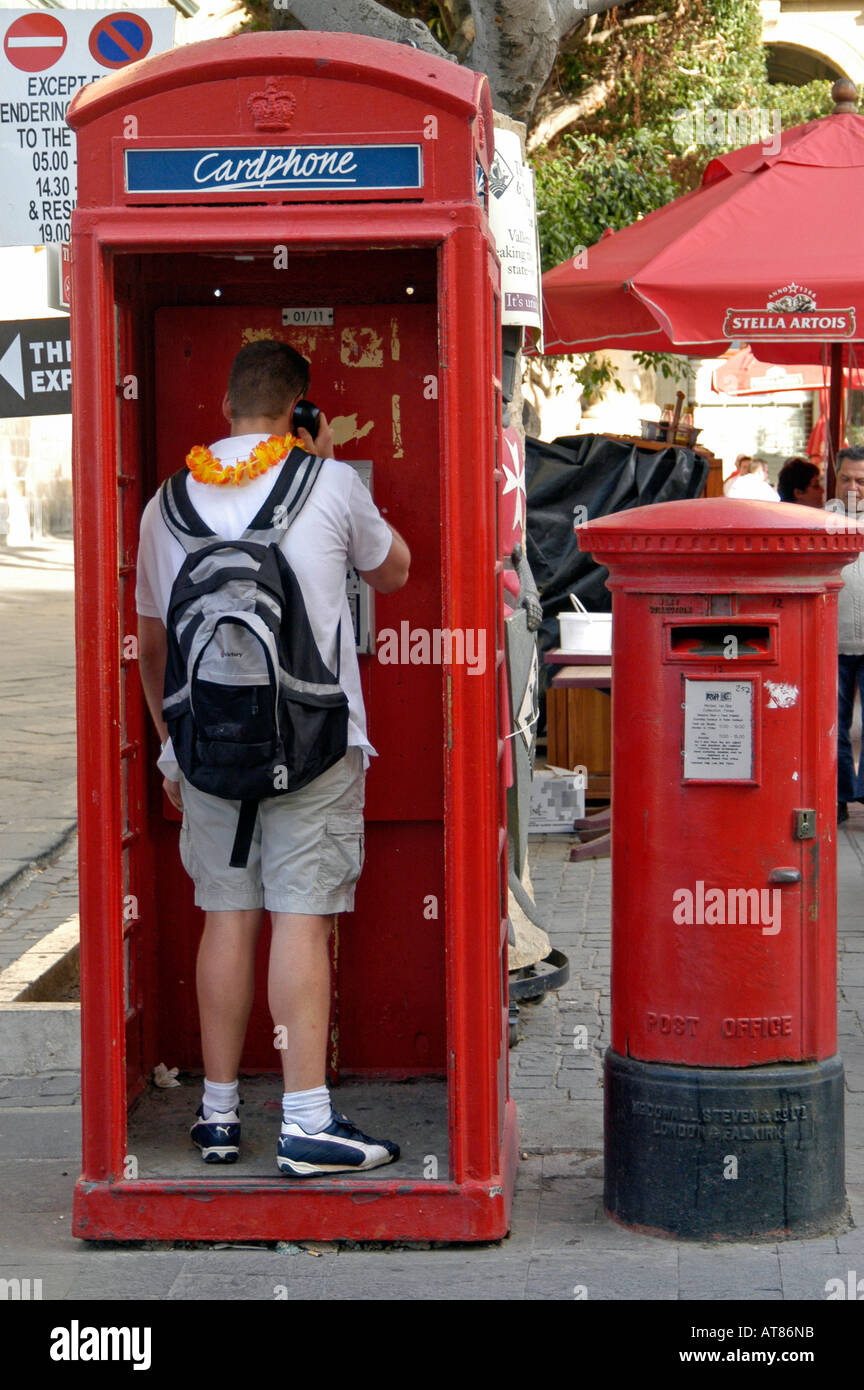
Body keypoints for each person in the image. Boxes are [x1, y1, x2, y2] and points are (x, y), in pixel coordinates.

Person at [135, 339, 410, 1175]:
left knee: (227, 913)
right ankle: (306, 1123)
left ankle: (217, 1116)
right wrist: (323, 462)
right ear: (300, 408)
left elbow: (150, 642)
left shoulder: (166, 503)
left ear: (223, 406)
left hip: (207, 746)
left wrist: (170, 745)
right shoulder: (330, 484)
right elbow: (397, 571)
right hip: (317, 746)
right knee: (301, 913)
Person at [826, 446, 864, 823]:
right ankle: (838, 795)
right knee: (831, 722)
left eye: (862, 480)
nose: (853, 486)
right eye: (847, 478)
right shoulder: (820, 521)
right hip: (830, 641)